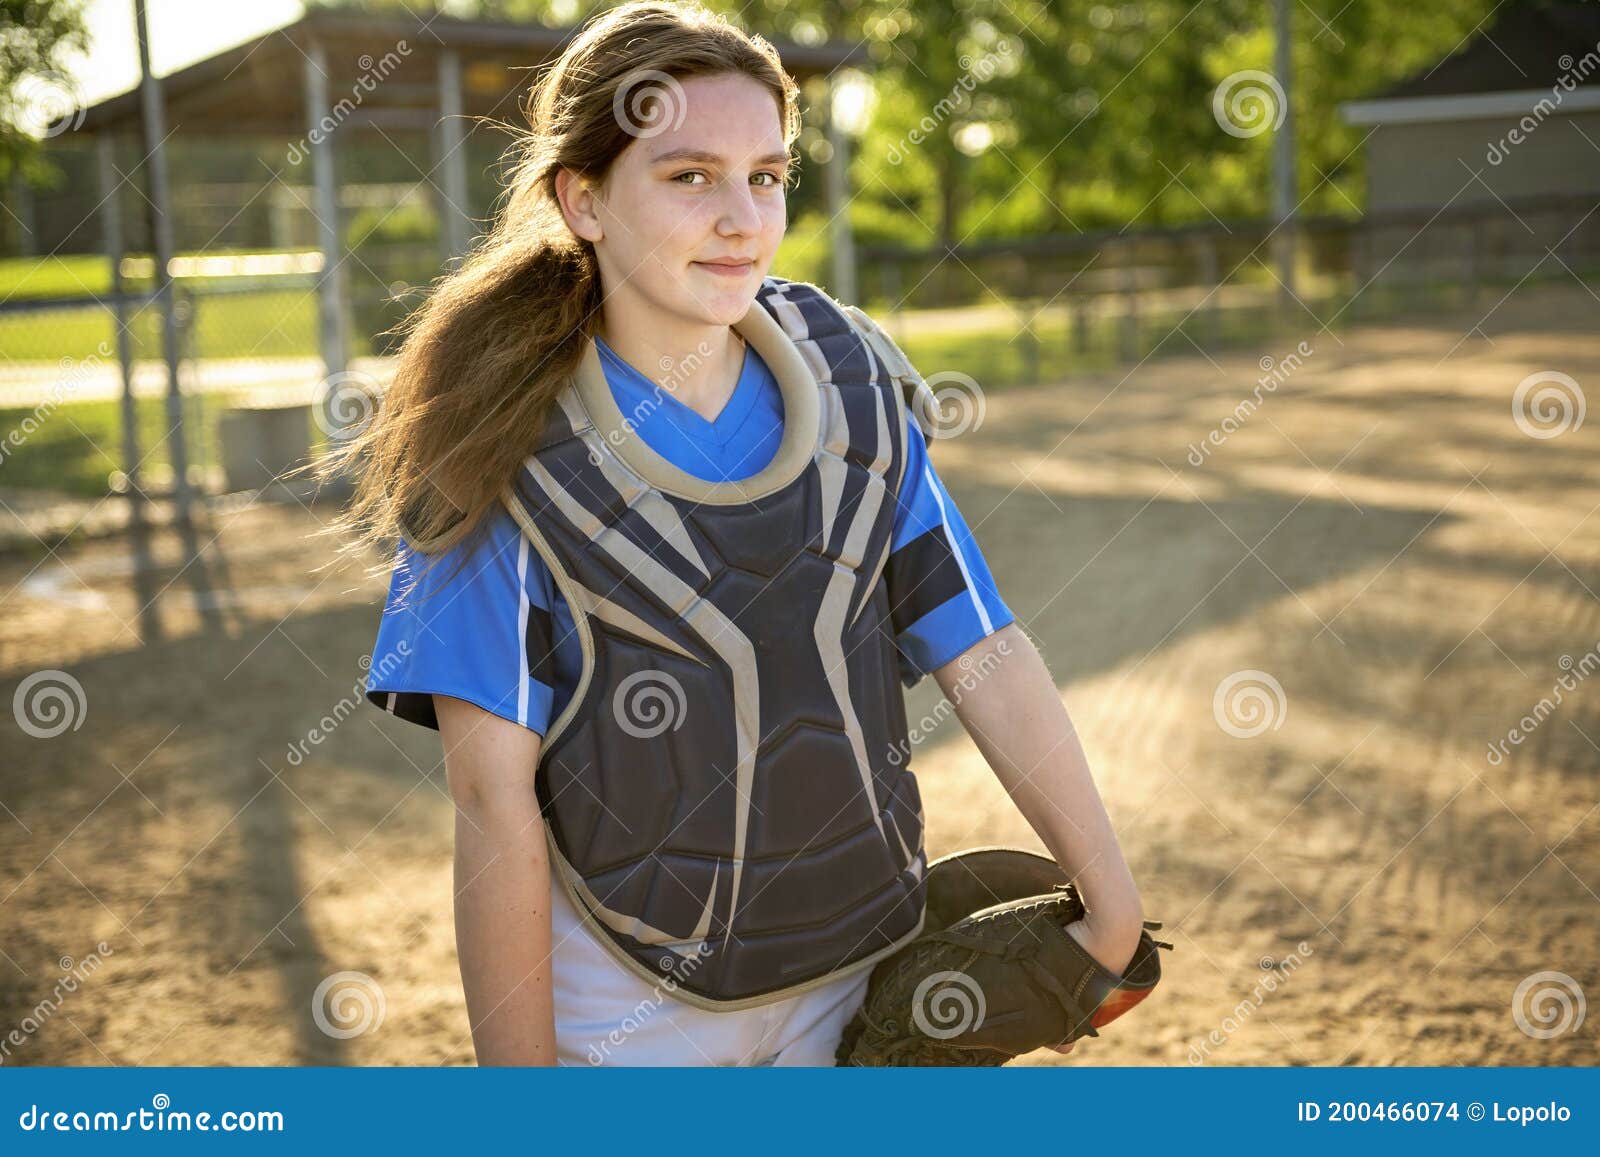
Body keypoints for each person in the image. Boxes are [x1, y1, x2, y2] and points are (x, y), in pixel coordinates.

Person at [316, 0, 1145, 1066]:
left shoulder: (852, 383)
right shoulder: (496, 442)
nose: (744, 218)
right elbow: (490, 803)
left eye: (767, 175)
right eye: (688, 175)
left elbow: (979, 645)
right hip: (624, 1002)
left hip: (860, 972)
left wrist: (1112, 905)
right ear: (584, 200)